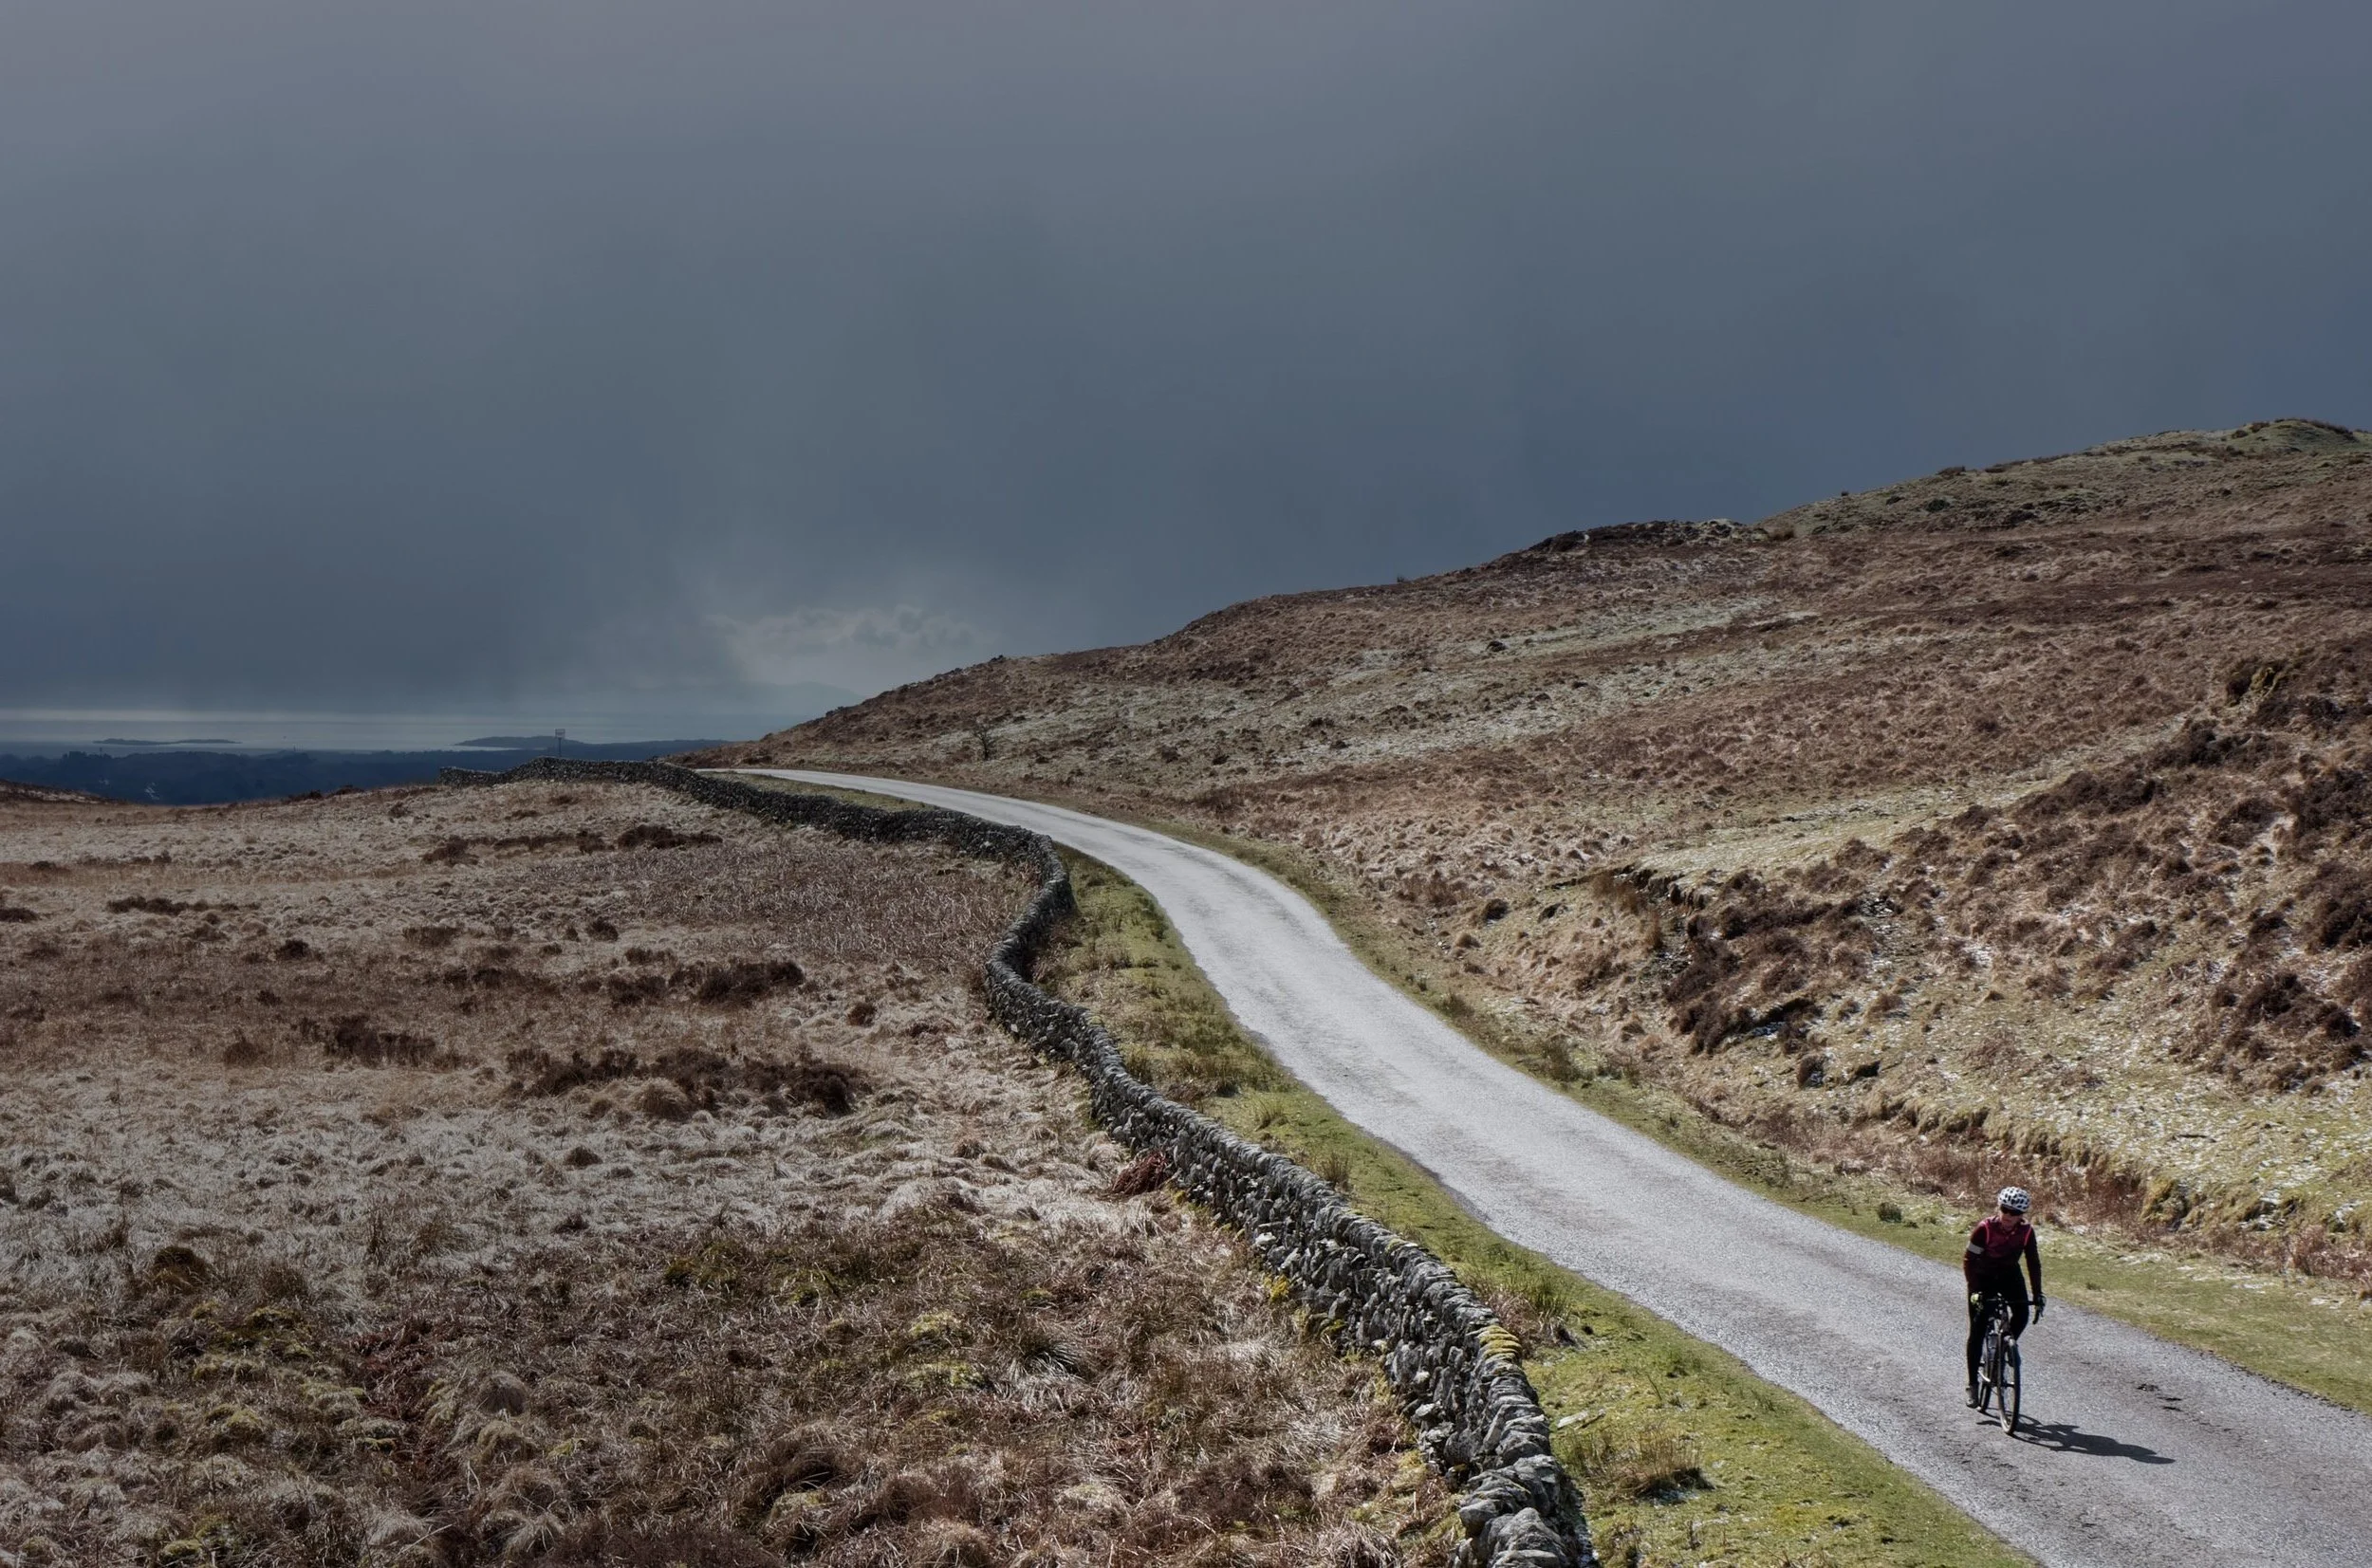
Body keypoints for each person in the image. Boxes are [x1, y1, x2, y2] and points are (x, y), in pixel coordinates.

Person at [1964, 1186, 2044, 1406]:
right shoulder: (1984, 1229)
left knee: (2022, 1314)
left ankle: (2003, 1349)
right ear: (1998, 1207)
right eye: (2005, 1209)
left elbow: (2033, 1262)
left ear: (2022, 1215)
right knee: (1978, 1330)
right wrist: (1975, 1290)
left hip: (2009, 1275)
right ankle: (1972, 1384)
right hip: (1983, 1276)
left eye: (2015, 1213)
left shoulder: (2026, 1232)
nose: (2008, 1216)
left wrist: (2037, 1294)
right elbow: (1969, 1260)